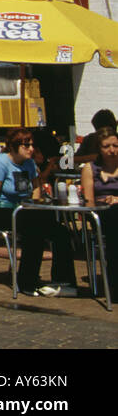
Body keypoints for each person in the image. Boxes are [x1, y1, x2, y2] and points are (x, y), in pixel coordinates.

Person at [0, 128, 76, 297]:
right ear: (13, 146)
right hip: (4, 211)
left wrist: (35, 205)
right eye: (26, 146)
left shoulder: (29, 163)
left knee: (61, 232)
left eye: (32, 145)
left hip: (25, 211)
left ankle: (63, 281)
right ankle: (27, 282)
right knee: (34, 231)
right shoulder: (0, 163)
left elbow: (35, 188)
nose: (31, 149)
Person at [81, 126, 118, 297]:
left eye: (115, 146)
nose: (112, 150)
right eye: (106, 146)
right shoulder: (90, 169)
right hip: (102, 214)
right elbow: (89, 201)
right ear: (99, 148)